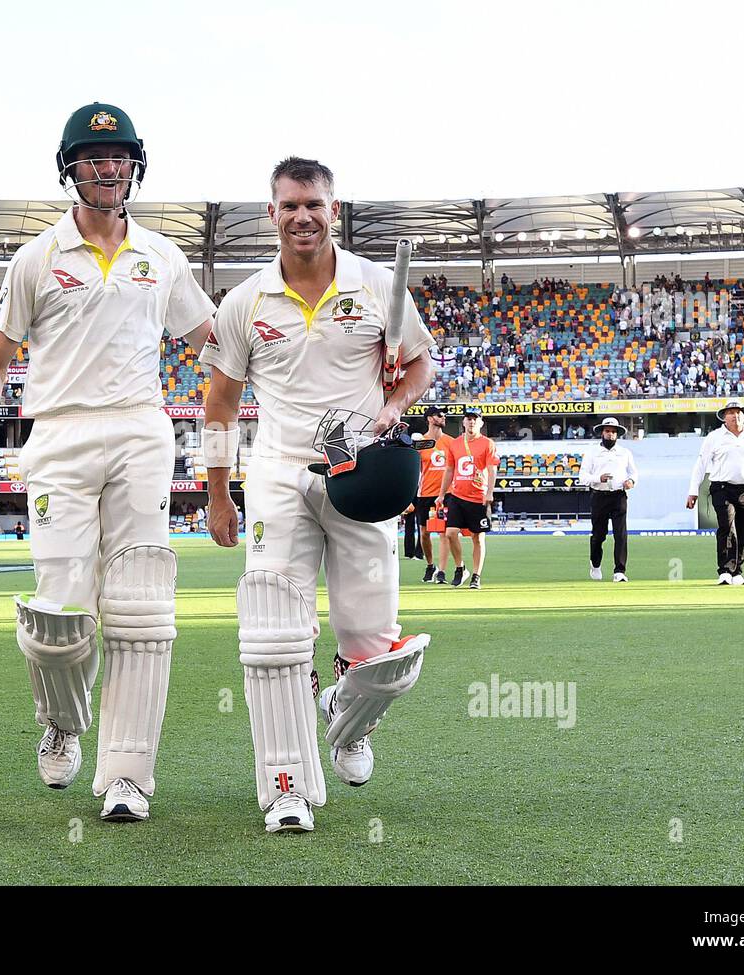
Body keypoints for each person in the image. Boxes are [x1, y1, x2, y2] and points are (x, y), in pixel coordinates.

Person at [0, 102, 215, 823]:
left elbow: (215, 341)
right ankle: (62, 718)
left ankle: (127, 775)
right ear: (71, 168)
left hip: (141, 432)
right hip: (58, 435)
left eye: (120, 156)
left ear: (135, 166)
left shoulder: (163, 257)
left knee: (137, 609)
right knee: (60, 604)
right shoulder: (36, 258)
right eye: (96, 157)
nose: (109, 167)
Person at [201, 156, 436, 833]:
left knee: (380, 654)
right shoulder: (244, 301)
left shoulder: (376, 284)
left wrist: (396, 399)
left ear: (334, 210)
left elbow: (420, 361)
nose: (302, 216)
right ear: (271, 213)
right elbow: (218, 404)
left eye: (314, 204)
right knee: (273, 632)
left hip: (356, 468)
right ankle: (287, 787)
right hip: (278, 471)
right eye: (289, 205)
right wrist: (217, 494)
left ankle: (347, 718)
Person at [686, 399, 744, 585]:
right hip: (722, 488)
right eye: (731, 412)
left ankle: (737, 572)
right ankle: (725, 570)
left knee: (743, 531)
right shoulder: (714, 437)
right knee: (727, 527)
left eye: (738, 412)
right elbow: (701, 464)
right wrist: (692, 491)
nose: (735, 415)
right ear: (724, 417)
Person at [436, 406, 498, 589]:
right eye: (468, 418)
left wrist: (489, 492)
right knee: (450, 533)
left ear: (481, 423)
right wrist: (441, 494)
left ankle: (476, 576)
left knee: (477, 538)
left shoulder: (487, 443)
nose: (471, 422)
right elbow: (449, 469)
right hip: (457, 495)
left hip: (478, 497)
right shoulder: (455, 444)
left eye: (475, 419)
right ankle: (460, 567)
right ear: (463, 422)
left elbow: (491, 468)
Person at [577, 417, 638, 582]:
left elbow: (634, 473)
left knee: (621, 535)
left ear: (617, 434)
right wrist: (598, 478)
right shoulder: (592, 453)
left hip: (618, 495)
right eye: (607, 431)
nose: (610, 434)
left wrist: (631, 481)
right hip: (599, 496)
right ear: (602, 433)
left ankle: (619, 571)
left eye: (613, 432)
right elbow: (582, 477)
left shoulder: (625, 453)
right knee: (598, 535)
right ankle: (595, 563)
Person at [416, 406, 454, 584]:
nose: (443, 417)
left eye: (444, 415)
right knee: (424, 533)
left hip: (446, 493)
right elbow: (414, 470)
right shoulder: (420, 443)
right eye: (439, 415)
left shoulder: (451, 442)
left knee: (443, 533)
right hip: (425, 493)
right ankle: (430, 565)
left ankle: (442, 571)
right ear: (430, 419)